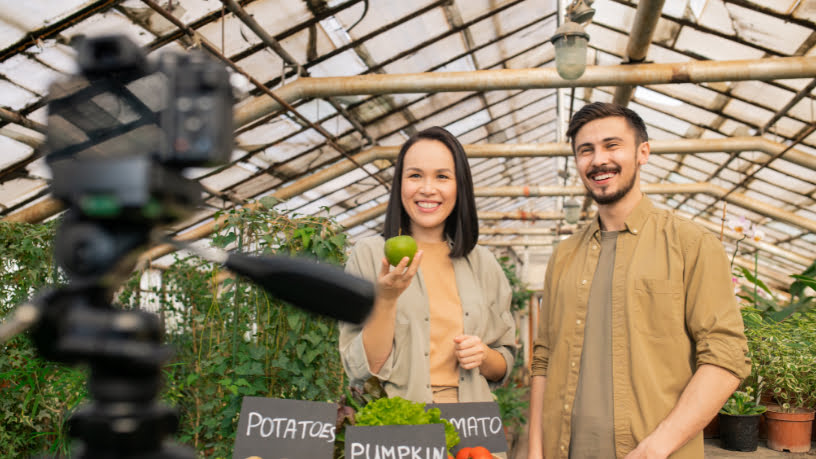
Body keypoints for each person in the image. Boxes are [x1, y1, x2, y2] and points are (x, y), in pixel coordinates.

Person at [527, 102, 751, 459]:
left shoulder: (690, 244)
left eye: (612, 145)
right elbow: (544, 358)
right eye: (586, 150)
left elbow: (726, 357)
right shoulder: (564, 256)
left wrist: (655, 448)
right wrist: (535, 451)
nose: (598, 160)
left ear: (642, 152)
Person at [339, 126, 516, 404]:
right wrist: (387, 299)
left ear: (459, 186)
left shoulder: (483, 263)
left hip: (471, 421)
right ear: (400, 184)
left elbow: (503, 365)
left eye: (442, 176)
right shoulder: (370, 255)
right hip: (400, 422)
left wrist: (483, 355)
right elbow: (360, 370)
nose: (427, 189)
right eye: (415, 175)